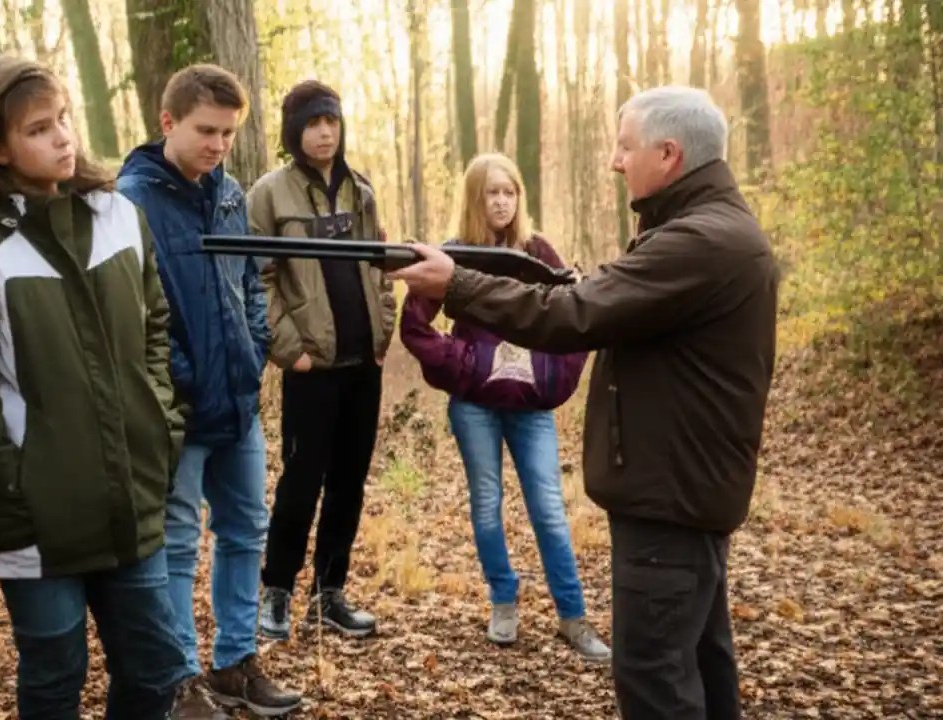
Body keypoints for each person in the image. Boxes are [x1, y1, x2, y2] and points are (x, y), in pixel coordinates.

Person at [389, 86, 778, 720]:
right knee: (700, 664)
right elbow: (601, 298)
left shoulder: (701, 241)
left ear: (670, 153)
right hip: (681, 488)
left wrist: (455, 282)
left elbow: (571, 315)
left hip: (670, 497)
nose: (615, 161)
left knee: (656, 676)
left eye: (625, 146)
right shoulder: (701, 231)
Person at [0, 55, 194, 720]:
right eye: (38, 129)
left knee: (157, 668)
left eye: (64, 120)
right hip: (33, 513)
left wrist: (159, 426)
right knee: (54, 674)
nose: (62, 137)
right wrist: (9, 487)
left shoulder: (117, 214)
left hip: (132, 495)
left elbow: (155, 327)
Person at [116, 64, 302, 719]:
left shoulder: (230, 194)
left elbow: (252, 283)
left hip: (239, 399)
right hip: (177, 410)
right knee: (175, 543)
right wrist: (177, 383)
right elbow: (133, 315)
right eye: (206, 130)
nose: (219, 144)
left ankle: (233, 665)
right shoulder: (130, 201)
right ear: (167, 122)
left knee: (247, 530)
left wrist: (251, 357)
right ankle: (180, 679)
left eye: (228, 132)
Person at [400, 153, 610, 661]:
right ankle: (503, 602)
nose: (501, 201)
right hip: (474, 406)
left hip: (531, 409)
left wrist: (551, 378)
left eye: (509, 191)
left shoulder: (537, 252)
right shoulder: (453, 256)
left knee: (549, 511)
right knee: (486, 506)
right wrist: (466, 363)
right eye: (491, 192)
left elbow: (576, 318)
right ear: (475, 198)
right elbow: (416, 326)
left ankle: (573, 617)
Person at [246, 80, 395, 641]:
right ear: (294, 131)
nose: (324, 132)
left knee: (349, 482)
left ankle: (329, 593)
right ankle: (277, 590)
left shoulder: (361, 189)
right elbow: (258, 278)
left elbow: (381, 263)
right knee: (301, 481)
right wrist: (291, 352)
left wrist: (383, 333)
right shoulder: (270, 194)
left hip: (363, 364)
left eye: (330, 120)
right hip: (312, 368)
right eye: (312, 123)